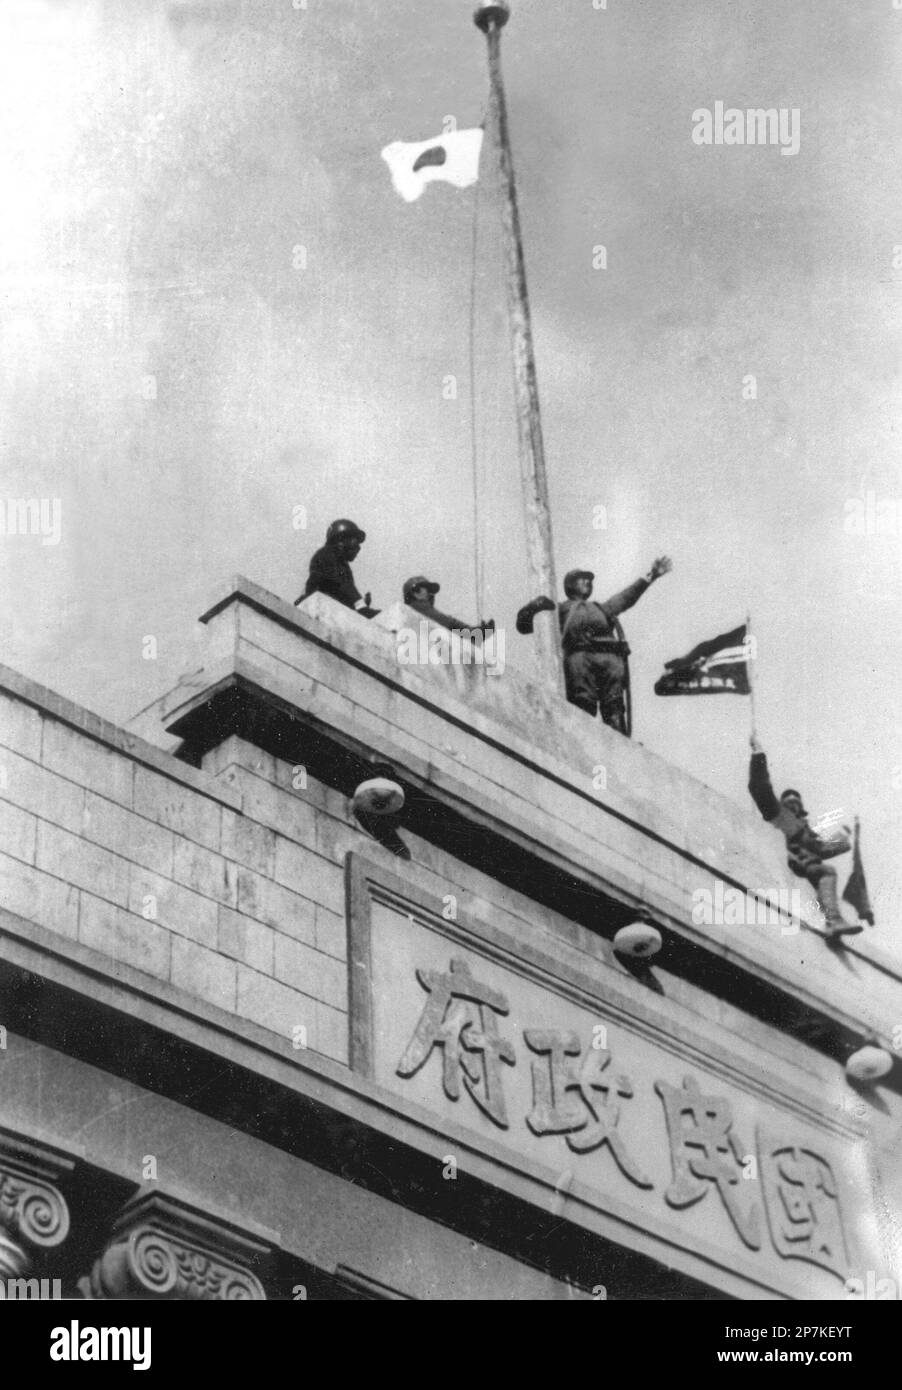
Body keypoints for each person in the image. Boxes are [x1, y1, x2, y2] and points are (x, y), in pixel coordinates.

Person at [516, 557, 672, 733]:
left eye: (589, 579)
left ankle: (619, 743)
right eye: (582, 578)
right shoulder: (560, 609)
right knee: (582, 705)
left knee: (614, 706)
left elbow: (626, 597)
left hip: (609, 660)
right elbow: (523, 625)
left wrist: (651, 576)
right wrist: (535, 607)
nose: (588, 582)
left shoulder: (601, 608)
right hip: (580, 659)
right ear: (570, 585)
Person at [748, 735, 862, 940]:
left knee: (824, 870)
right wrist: (759, 756)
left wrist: (842, 838)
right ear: (783, 805)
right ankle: (834, 921)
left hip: (808, 866)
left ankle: (834, 923)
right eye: (788, 802)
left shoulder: (804, 829)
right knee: (827, 871)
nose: (793, 805)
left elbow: (820, 849)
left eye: (796, 803)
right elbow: (761, 789)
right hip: (793, 862)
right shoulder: (779, 816)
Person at [297, 519, 375, 615]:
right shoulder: (328, 554)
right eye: (355, 541)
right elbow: (343, 584)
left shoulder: (339, 561)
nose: (358, 547)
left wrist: (359, 606)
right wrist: (360, 606)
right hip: (321, 610)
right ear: (342, 540)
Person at [402, 575, 493, 634]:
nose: (425, 593)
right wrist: (473, 632)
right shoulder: (418, 610)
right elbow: (445, 621)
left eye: (428, 590)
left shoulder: (415, 615)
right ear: (412, 594)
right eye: (418, 589)